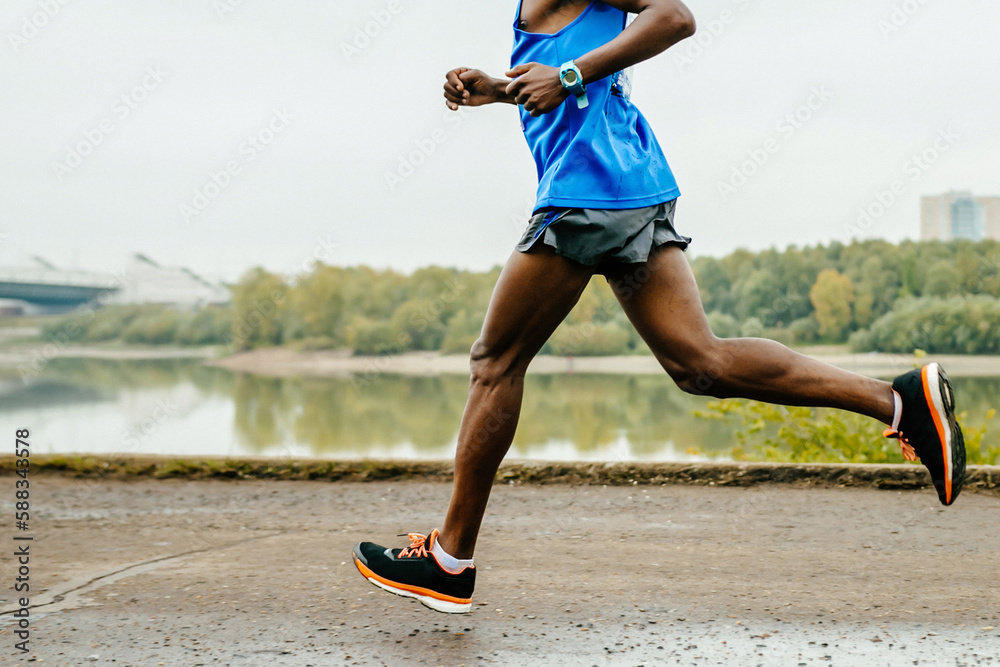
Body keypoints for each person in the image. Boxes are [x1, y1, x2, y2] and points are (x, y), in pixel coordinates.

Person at [352, 0, 966, 614]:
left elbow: (673, 15)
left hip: (587, 188)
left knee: (495, 361)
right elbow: (563, 80)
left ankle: (449, 561)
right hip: (625, 181)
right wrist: (502, 89)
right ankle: (897, 401)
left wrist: (567, 75)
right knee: (702, 363)